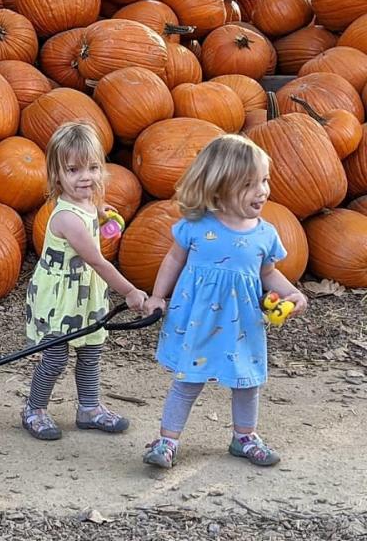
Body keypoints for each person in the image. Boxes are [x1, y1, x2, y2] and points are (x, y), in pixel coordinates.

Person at [142, 134, 306, 469]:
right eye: (249, 184)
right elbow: (173, 260)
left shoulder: (265, 234)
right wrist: (158, 296)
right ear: (219, 187)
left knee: (246, 382)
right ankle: (167, 441)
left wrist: (292, 293)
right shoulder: (196, 226)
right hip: (198, 319)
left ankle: (244, 437)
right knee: (188, 380)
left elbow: (268, 273)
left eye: (264, 180)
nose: (261, 190)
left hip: (241, 323)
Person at [22, 122, 148, 441]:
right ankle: (34, 409)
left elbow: (94, 210)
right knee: (56, 356)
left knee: (91, 351)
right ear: (57, 175)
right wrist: (130, 292)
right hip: (61, 296)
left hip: (83, 294)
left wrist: (103, 213)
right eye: (74, 170)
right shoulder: (66, 218)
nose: (86, 177)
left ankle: (89, 409)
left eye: (93, 168)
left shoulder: (87, 202)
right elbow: (97, 261)